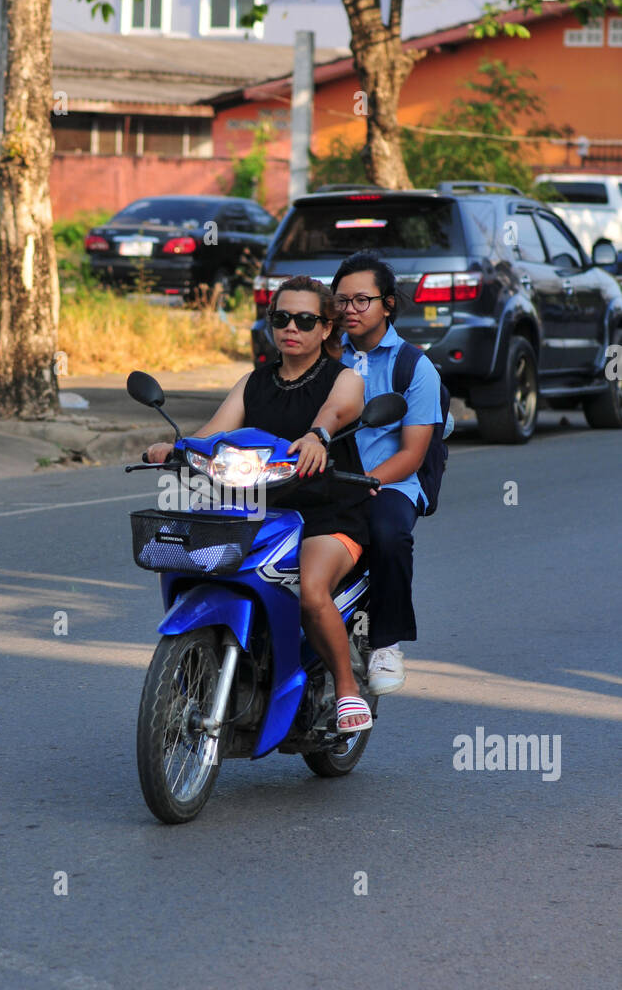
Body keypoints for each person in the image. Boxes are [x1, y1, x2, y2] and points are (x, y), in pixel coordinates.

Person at [146, 274, 373, 732]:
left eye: (306, 320)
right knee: (198, 563)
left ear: (327, 328)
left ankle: (347, 690)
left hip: (325, 517)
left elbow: (341, 409)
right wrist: (177, 448)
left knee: (311, 591)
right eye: (282, 318)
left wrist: (318, 435)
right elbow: (214, 431)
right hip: (256, 511)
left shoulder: (343, 378)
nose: (292, 328)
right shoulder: (253, 383)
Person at [332, 252, 443, 695]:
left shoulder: (414, 366)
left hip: (389, 483)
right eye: (341, 301)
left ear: (388, 304)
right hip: (319, 479)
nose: (351, 310)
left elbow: (413, 453)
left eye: (363, 300)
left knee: (389, 535)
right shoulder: (321, 354)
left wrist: (368, 483)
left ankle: (385, 643)